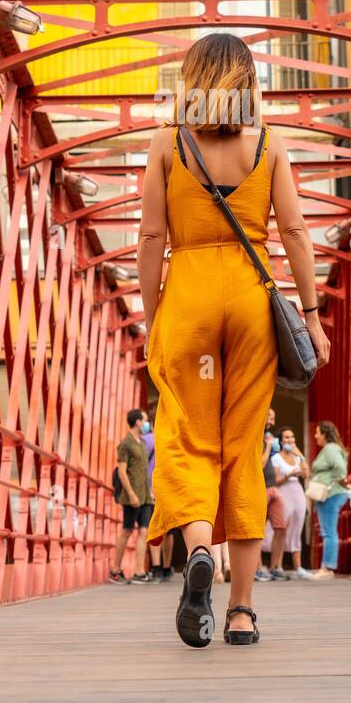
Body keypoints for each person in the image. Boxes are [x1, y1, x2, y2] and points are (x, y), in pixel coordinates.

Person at [137, 33, 330, 647]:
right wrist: (314, 315)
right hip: (251, 299)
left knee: (187, 437)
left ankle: (197, 549)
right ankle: (242, 612)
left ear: (191, 79)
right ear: (247, 80)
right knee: (244, 447)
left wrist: (154, 316)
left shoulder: (167, 144)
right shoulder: (269, 144)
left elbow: (148, 238)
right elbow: (295, 230)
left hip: (189, 295)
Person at [109, 408, 154, 584]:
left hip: (145, 496)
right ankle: (115, 570)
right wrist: (131, 494)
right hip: (132, 496)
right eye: (144, 420)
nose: (146, 424)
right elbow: (122, 471)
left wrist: (149, 491)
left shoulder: (142, 443)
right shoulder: (126, 443)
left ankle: (139, 572)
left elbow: (144, 471)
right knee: (127, 530)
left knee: (144, 531)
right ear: (137, 422)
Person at [310, 421, 349, 579]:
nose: (315, 436)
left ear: (325, 434)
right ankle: (326, 567)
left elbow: (340, 468)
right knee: (328, 531)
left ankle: (328, 568)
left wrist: (337, 481)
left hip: (330, 494)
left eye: (318, 432)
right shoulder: (331, 449)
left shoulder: (330, 448)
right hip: (329, 494)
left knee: (329, 532)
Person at [272, 427, 311, 577]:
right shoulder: (276, 458)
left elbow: (307, 474)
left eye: (292, 437)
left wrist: (300, 455)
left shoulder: (297, 457)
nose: (290, 440)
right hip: (284, 493)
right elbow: (275, 480)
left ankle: (298, 567)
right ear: (281, 441)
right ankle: (278, 565)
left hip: (298, 493)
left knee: (297, 527)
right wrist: (289, 474)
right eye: (287, 438)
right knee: (281, 528)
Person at [144, 413, 176, 581]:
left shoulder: (147, 439)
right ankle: (164, 566)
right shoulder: (171, 438)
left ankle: (158, 567)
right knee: (169, 531)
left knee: (159, 529)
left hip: (156, 490)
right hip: (165, 490)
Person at [256, 422, 287, 581]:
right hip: (260, 488)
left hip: (274, 487)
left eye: (274, 419)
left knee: (281, 528)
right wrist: (268, 446)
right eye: (269, 417)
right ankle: (258, 568)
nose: (272, 422)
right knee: (257, 530)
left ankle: (275, 567)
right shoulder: (255, 438)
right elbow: (260, 464)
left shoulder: (268, 438)